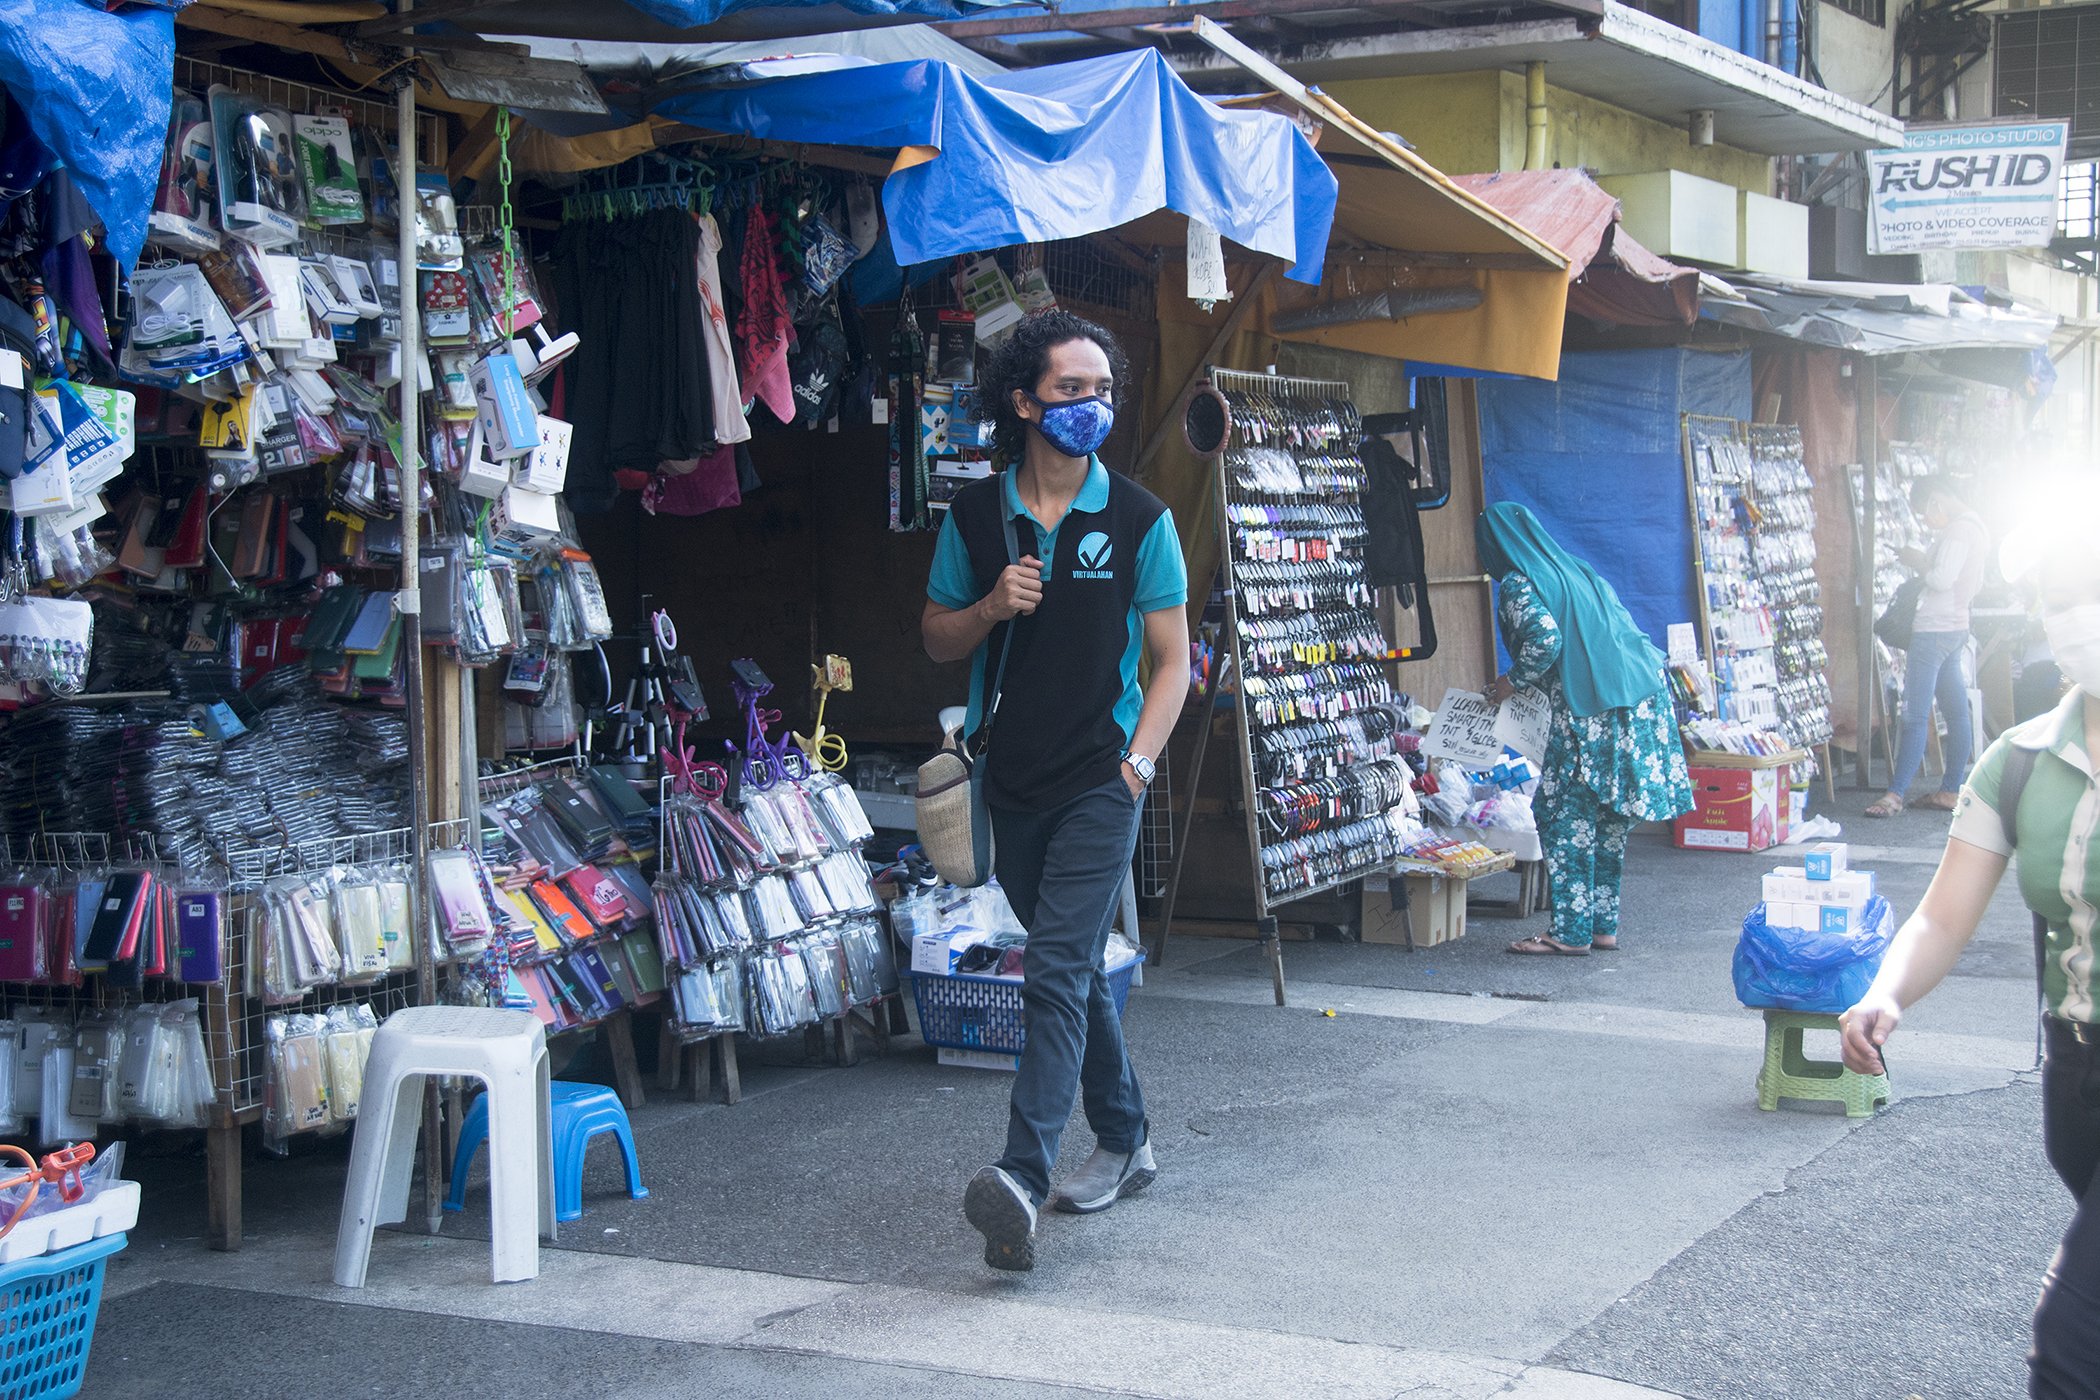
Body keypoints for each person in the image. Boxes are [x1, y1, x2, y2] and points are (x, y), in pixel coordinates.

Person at [921, 310, 1190, 1271]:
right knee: (1068, 967)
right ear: (1024, 400)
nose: (1092, 406)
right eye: (1071, 389)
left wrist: (1138, 767)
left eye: (1102, 389)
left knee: (1053, 974)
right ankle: (1127, 1136)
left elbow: (1171, 663)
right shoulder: (974, 516)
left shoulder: (1141, 519)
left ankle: (1021, 1179)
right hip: (1012, 782)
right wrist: (991, 606)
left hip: (1101, 782)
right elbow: (936, 635)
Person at [1839, 496, 2100, 1399]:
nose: (2075, 620)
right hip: (2077, 1077)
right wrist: (1887, 993)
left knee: (2072, 1345)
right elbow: (1943, 917)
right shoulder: (2020, 760)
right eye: (2060, 601)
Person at [1477, 503, 1693, 956]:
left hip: (1590, 710)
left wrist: (1508, 683)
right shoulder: (1575, 570)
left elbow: (1546, 640)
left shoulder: (1520, 581)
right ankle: (1601, 926)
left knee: (1562, 816)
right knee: (1608, 817)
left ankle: (1570, 933)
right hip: (1639, 701)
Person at [1866, 475, 1990, 818]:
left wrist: (1917, 559)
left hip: (1934, 628)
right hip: (1956, 627)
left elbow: (1939, 578)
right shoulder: (1977, 526)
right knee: (1955, 710)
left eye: (1925, 511)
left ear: (1938, 499)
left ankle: (1895, 793)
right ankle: (1951, 789)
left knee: (1915, 714)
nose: (1926, 518)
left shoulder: (1958, 531)